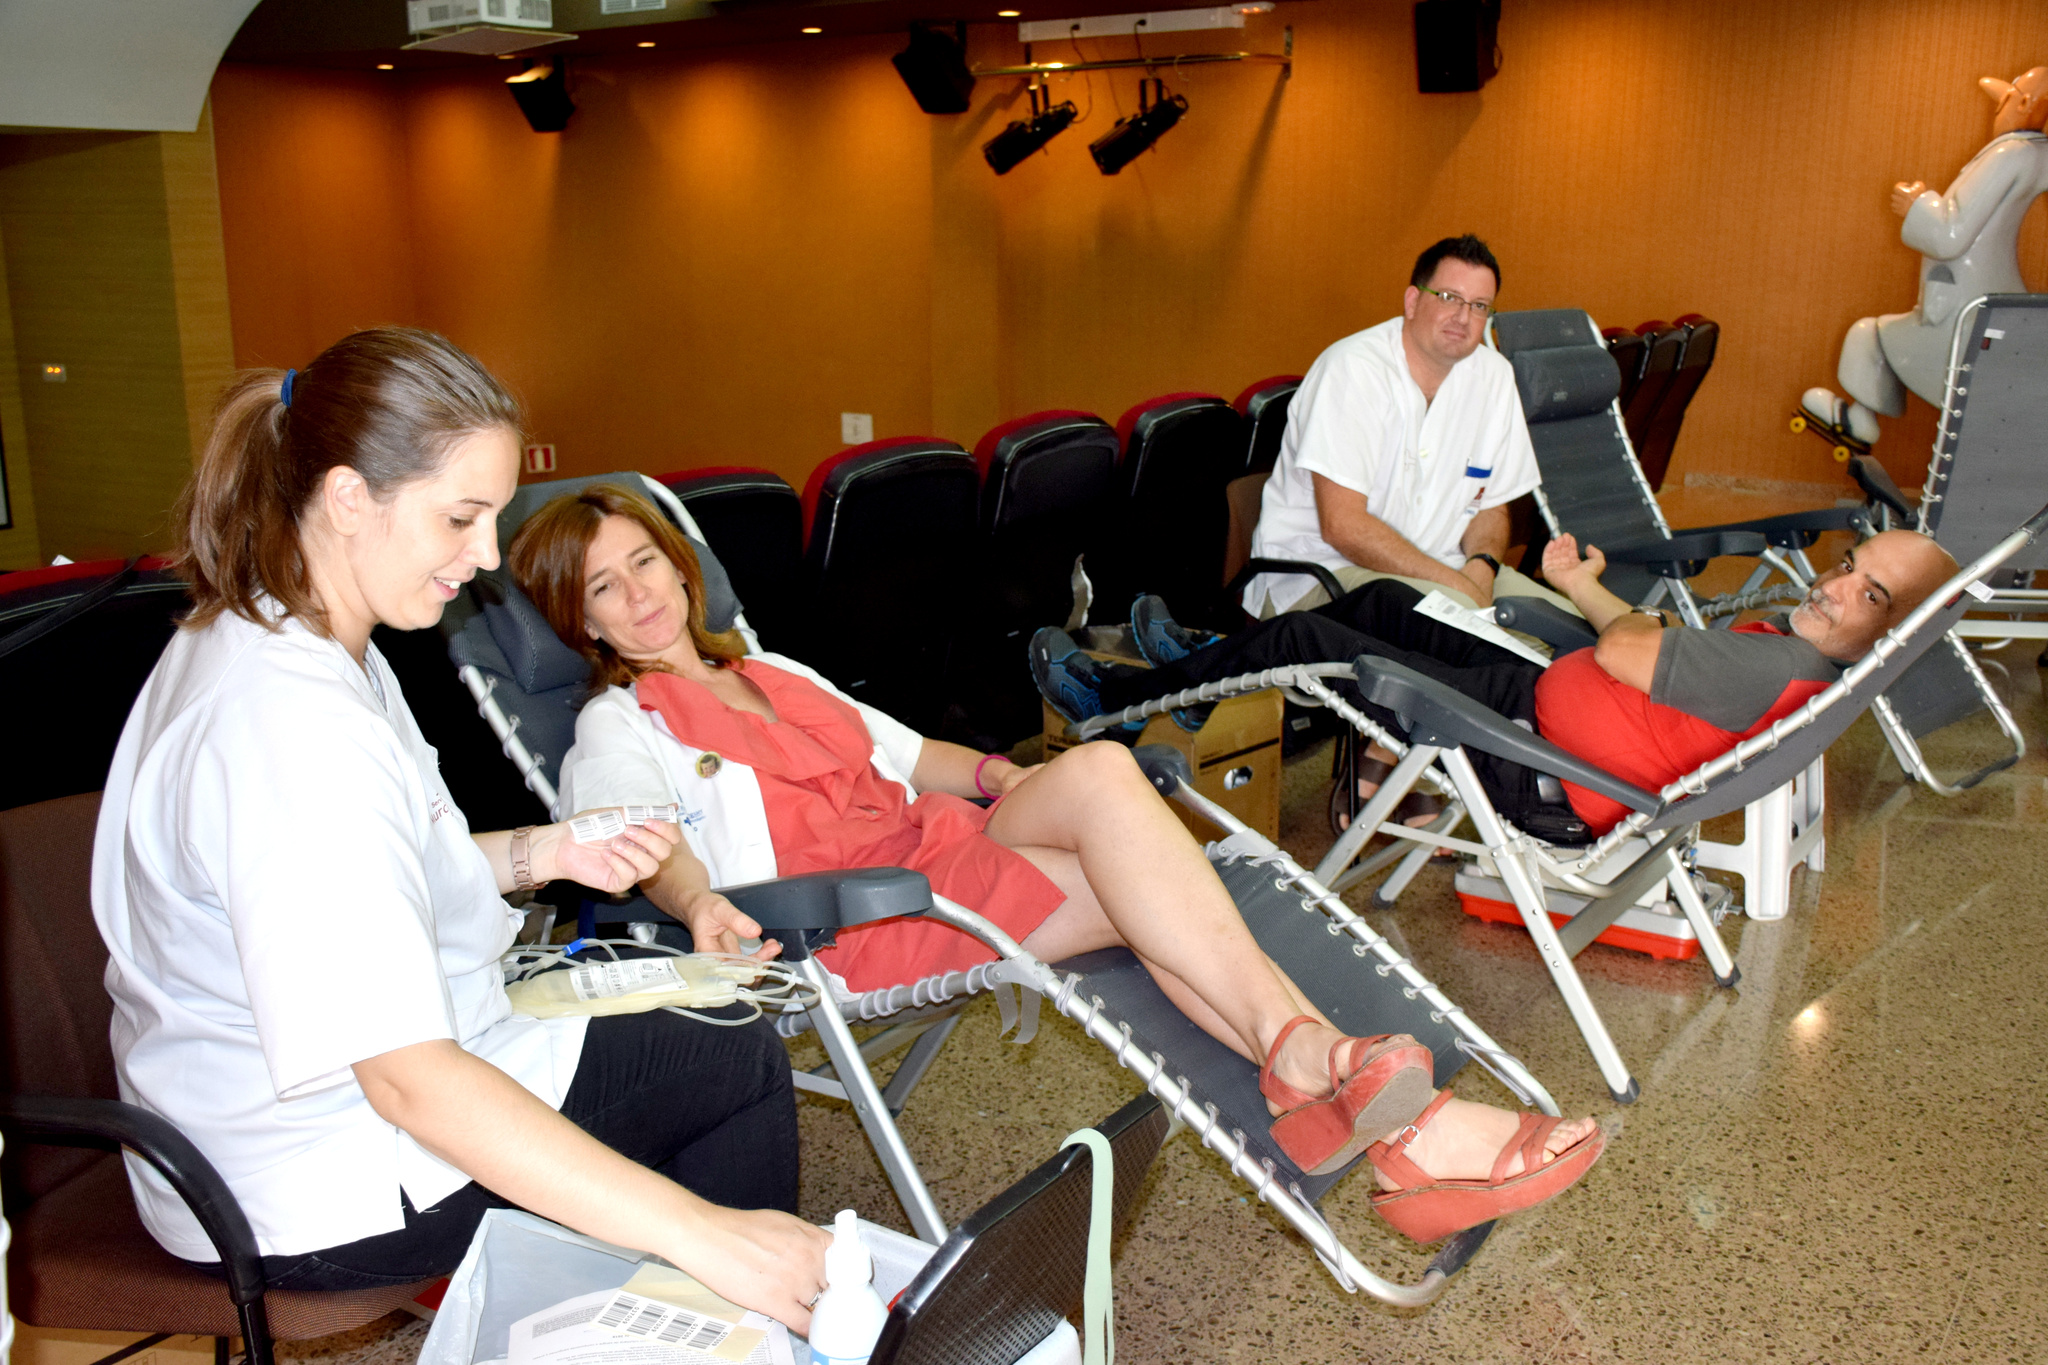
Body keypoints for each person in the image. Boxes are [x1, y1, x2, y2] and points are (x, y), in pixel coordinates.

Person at [509, 484, 1606, 1236]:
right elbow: (631, 847)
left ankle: (1324, 1070)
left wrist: (1002, 781)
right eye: (604, 587)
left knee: (1098, 778)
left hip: (935, 851)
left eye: (644, 561)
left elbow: (911, 755)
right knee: (1150, 879)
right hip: (845, 919)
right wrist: (698, 903)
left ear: (678, 562)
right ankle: (1375, 1105)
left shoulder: (774, 669)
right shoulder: (620, 729)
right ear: (582, 620)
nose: (640, 594)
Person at [93, 329, 832, 1330]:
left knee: (702, 1042)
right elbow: (409, 1084)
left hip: (283, 1114)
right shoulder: (287, 730)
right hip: (310, 1179)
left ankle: (650, 1327)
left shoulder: (288, 628)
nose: (484, 558)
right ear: (350, 496)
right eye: (460, 517)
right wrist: (706, 1234)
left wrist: (547, 853)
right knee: (727, 1062)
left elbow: (389, 863)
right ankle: (710, 1321)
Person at [1037, 529, 1958, 839]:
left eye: (1866, 592)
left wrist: (1603, 604)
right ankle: (1192, 671)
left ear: (1892, 624)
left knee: (1315, 636)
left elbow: (1635, 647)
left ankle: (1116, 703)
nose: (1832, 587)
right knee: (1396, 601)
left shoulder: (1778, 661)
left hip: (1533, 763)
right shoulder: (1815, 663)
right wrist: (1603, 608)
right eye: (1846, 565)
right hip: (1551, 715)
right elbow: (1637, 650)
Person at [1246, 234, 1566, 617]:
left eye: (1479, 306)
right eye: (1448, 298)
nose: (1463, 318)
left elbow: (1491, 506)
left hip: (1445, 568)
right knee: (1474, 645)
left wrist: (1482, 566)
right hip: (1323, 576)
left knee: (1571, 631)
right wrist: (1456, 587)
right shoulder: (1353, 370)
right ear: (1413, 301)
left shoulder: (1494, 376)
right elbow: (1343, 526)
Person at [1801, 65, 2048, 450]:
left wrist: (1916, 204)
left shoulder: (2010, 154)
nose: (1997, 112)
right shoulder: (2034, 155)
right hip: (1979, 298)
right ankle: (1865, 420)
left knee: (1870, 336)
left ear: (2026, 105)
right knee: (1883, 339)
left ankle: (1860, 420)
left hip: (1963, 304)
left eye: (2004, 102)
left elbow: (1950, 235)